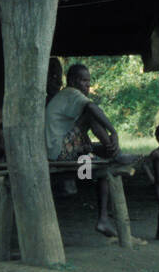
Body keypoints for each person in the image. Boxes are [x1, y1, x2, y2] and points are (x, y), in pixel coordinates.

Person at [45, 64, 128, 235]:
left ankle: (103, 220)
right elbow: (91, 109)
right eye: (84, 81)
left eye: (89, 81)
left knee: (103, 165)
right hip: (58, 153)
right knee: (90, 114)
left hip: (62, 150)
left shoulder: (68, 97)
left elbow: (91, 119)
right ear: (74, 81)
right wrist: (113, 131)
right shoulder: (70, 93)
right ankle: (115, 154)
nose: (88, 85)